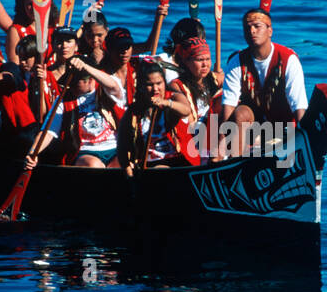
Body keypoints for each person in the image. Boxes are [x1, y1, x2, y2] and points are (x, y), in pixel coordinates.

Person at [220, 9, 307, 156]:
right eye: (247, 28)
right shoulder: (236, 62)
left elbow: (298, 105)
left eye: (257, 26)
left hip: (284, 128)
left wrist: (306, 140)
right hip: (254, 128)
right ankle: (236, 163)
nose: (251, 31)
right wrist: (219, 153)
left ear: (270, 30)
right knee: (240, 113)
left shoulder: (289, 59)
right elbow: (228, 108)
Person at [25, 56, 127, 170]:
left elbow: (113, 85)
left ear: (89, 80)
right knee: (94, 166)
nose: (70, 86)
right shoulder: (63, 99)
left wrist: (85, 67)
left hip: (114, 148)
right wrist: (32, 153)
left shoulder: (106, 90)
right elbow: (48, 132)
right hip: (86, 152)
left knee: (126, 163)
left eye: (75, 82)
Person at [117, 62, 186, 173]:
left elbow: (186, 110)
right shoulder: (133, 111)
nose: (155, 89)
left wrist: (166, 103)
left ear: (165, 83)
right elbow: (121, 146)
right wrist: (128, 171)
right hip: (147, 165)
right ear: (141, 87)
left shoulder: (174, 97)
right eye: (150, 84)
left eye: (159, 83)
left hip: (176, 161)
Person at [167, 37, 222, 165]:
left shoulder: (213, 79)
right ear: (187, 62)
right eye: (200, 60)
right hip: (194, 136)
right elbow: (190, 123)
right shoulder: (177, 85)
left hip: (215, 132)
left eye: (208, 59)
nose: (205, 64)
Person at [100, 26, 137, 115]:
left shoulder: (138, 66)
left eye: (127, 46)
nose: (125, 51)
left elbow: (149, 46)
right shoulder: (101, 73)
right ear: (109, 49)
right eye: (120, 47)